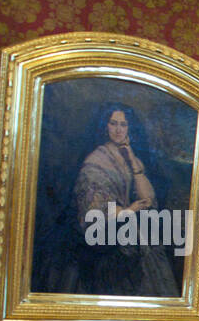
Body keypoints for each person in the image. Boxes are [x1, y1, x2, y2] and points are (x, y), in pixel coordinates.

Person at [71, 103, 180, 296]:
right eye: (113, 124)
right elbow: (93, 213)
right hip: (107, 242)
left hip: (134, 237)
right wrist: (130, 210)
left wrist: (130, 156)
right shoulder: (96, 161)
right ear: (105, 126)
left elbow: (148, 199)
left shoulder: (130, 157)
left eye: (123, 124)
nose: (119, 129)